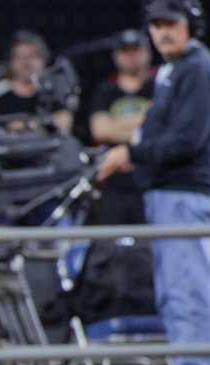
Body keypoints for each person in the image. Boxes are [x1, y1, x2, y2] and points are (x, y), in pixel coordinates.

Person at [96, 0, 210, 365]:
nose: (162, 33)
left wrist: (132, 153)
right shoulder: (174, 69)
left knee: (188, 289)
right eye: (155, 25)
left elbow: (189, 138)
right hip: (166, 192)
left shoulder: (196, 68)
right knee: (173, 292)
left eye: (170, 23)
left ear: (191, 25)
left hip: (184, 192)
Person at [87, 30, 156, 225]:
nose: (131, 56)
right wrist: (143, 122)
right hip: (113, 180)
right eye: (125, 51)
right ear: (116, 56)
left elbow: (161, 128)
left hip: (150, 179)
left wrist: (116, 123)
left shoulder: (158, 88)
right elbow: (100, 130)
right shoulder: (105, 91)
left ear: (147, 53)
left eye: (136, 50)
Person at [0, 31, 75, 133]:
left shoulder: (55, 95)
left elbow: (64, 122)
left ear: (43, 59)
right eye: (20, 57)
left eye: (32, 56)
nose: (27, 63)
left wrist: (29, 124)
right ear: (10, 62)